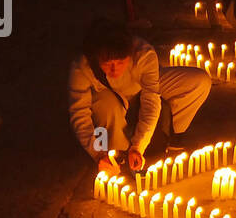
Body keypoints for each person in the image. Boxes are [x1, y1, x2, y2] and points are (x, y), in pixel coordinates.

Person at [68, 20, 210, 171]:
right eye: (108, 64)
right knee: (106, 106)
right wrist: (97, 154)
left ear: (130, 54)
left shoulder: (144, 54)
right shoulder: (81, 65)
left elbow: (151, 100)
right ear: (97, 57)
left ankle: (171, 134)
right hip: (107, 97)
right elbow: (79, 113)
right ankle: (118, 154)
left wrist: (138, 146)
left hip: (139, 88)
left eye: (121, 62)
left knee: (199, 81)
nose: (115, 69)